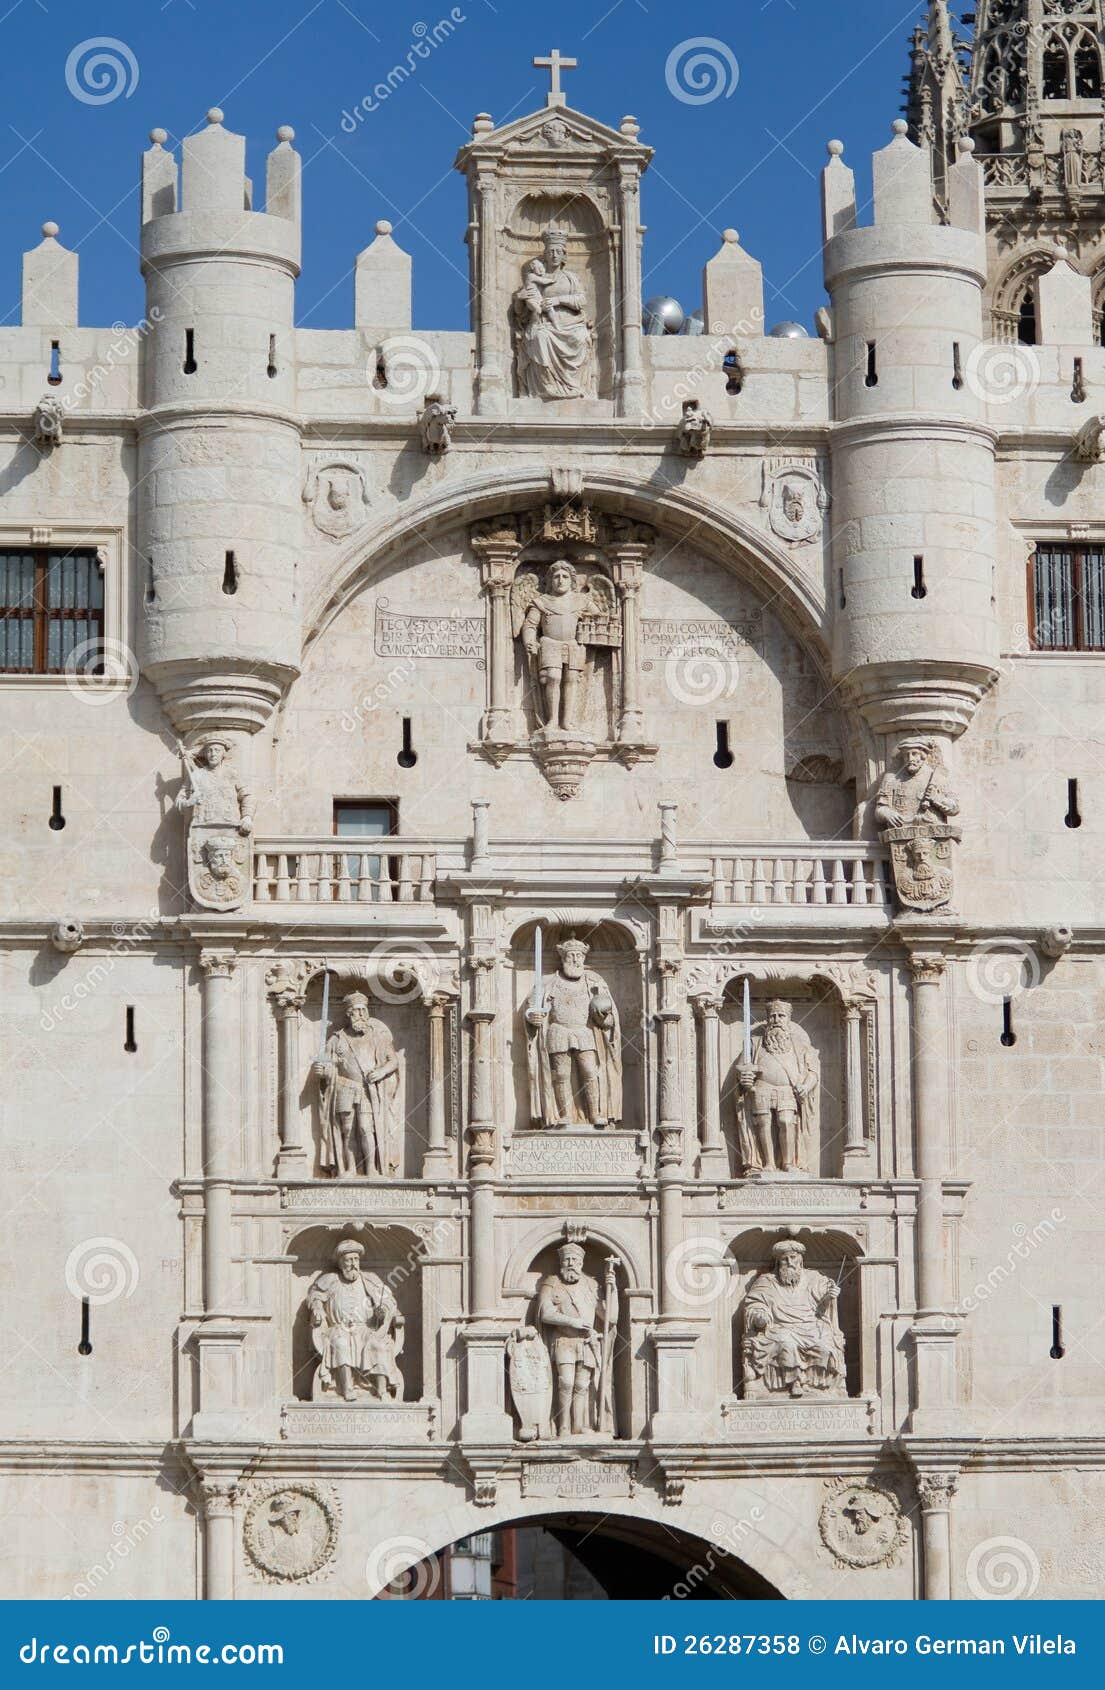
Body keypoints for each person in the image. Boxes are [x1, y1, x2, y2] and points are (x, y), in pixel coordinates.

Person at [741, 1239, 845, 1399]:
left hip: (810, 1326)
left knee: (824, 1346)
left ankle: (820, 1386)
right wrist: (759, 1316)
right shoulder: (766, 1281)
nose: (789, 1262)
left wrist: (830, 1297)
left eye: (793, 1257)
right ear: (778, 1261)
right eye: (784, 1258)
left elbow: (824, 1305)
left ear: (801, 1258)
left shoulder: (815, 1278)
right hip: (779, 1328)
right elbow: (755, 1304)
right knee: (786, 1343)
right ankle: (795, 1381)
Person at [313, 992, 401, 1177]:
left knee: (366, 1128)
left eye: (363, 1010)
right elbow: (329, 1066)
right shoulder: (337, 1039)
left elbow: (393, 1061)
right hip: (344, 1087)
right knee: (347, 1130)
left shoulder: (378, 1037)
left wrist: (381, 1072)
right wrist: (323, 1071)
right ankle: (351, 1168)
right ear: (349, 1014)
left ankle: (370, 1169)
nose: (360, 1014)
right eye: (356, 1011)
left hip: (367, 1089)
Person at [307, 1239, 403, 1402]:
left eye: (356, 1259)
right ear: (340, 1262)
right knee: (341, 1344)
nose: (353, 1264)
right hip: (339, 1329)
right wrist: (317, 1309)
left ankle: (381, 1390)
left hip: (365, 1329)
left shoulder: (369, 1279)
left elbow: (388, 1300)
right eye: (349, 1260)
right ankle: (347, 1390)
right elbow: (314, 1296)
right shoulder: (330, 1279)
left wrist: (384, 1311)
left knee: (378, 1345)